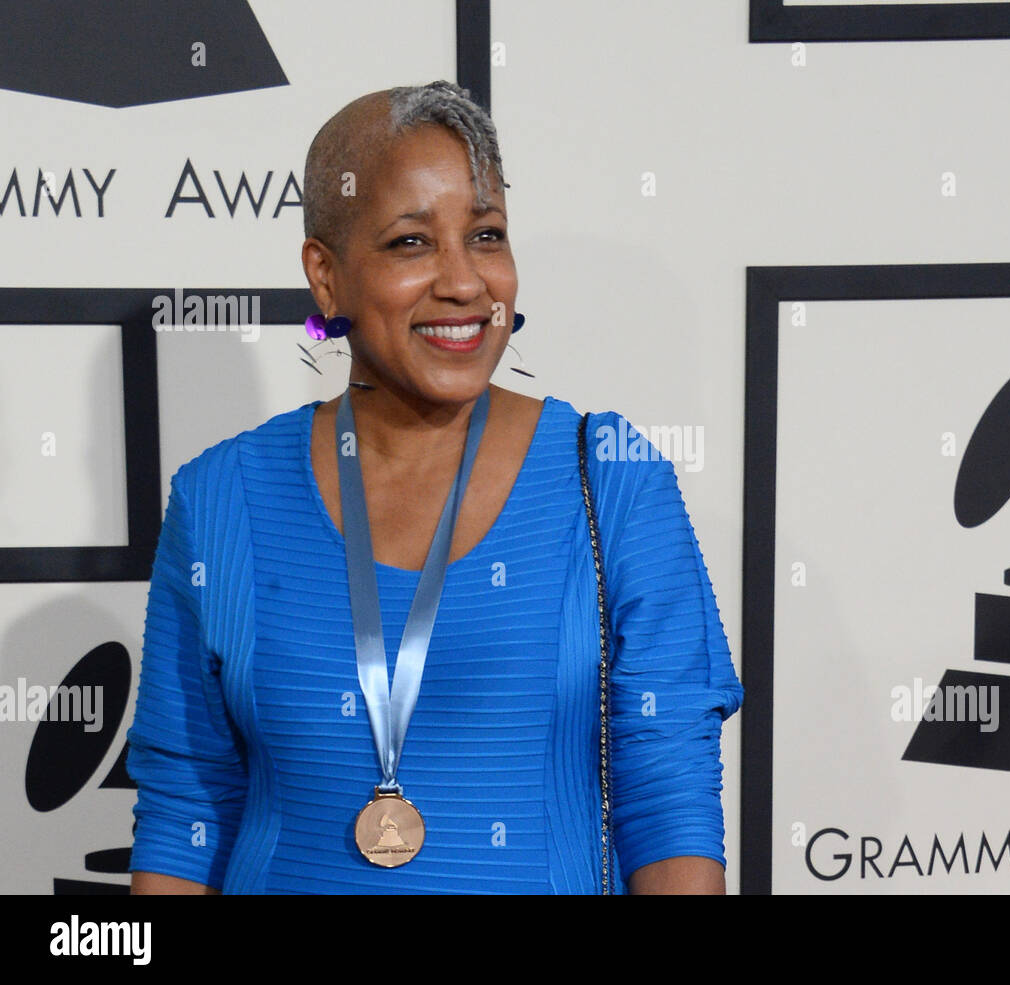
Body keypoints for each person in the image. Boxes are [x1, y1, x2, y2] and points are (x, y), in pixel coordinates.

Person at [125, 81, 744, 894]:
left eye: (486, 236)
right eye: (411, 244)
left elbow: (667, 806)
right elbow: (186, 810)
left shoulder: (615, 479)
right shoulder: (218, 500)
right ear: (326, 275)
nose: (464, 283)